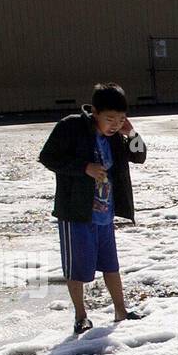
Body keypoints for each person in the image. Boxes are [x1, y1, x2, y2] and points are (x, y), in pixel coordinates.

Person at [38, 82, 147, 335]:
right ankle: (81, 316)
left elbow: (140, 156)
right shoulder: (72, 126)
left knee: (111, 265)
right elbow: (48, 157)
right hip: (76, 212)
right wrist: (84, 167)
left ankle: (121, 310)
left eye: (121, 119)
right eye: (110, 118)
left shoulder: (118, 136)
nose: (115, 124)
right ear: (95, 112)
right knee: (77, 268)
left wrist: (132, 134)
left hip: (105, 213)